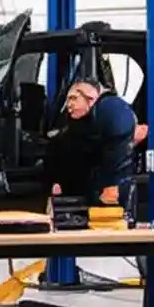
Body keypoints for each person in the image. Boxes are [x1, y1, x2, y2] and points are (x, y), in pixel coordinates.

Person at [46, 79, 139, 211]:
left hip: (109, 193)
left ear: (90, 98)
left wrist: (112, 185)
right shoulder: (78, 124)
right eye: (68, 100)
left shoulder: (111, 110)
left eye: (74, 98)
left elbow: (118, 150)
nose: (69, 105)